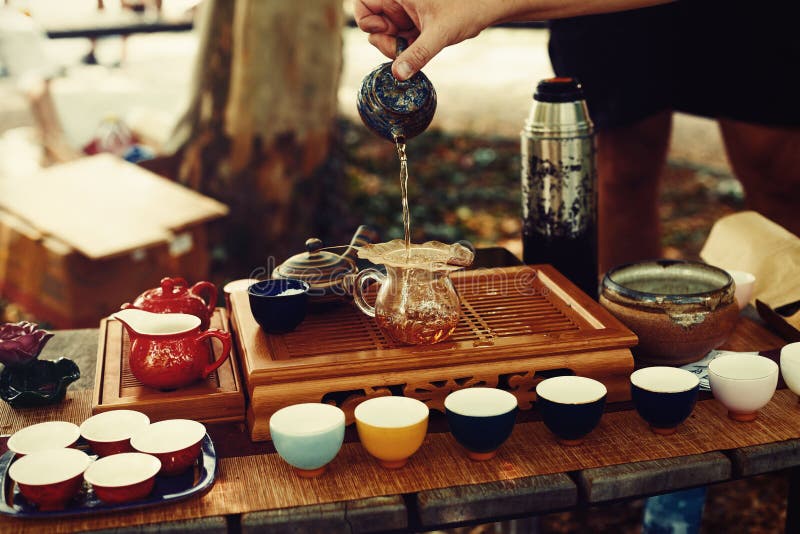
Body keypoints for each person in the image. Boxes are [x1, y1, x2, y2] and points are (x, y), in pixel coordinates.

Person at [354, 0, 800, 274]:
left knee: (778, 171)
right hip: (603, 24)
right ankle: (636, 344)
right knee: (621, 169)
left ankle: (788, 337)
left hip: (751, 13)